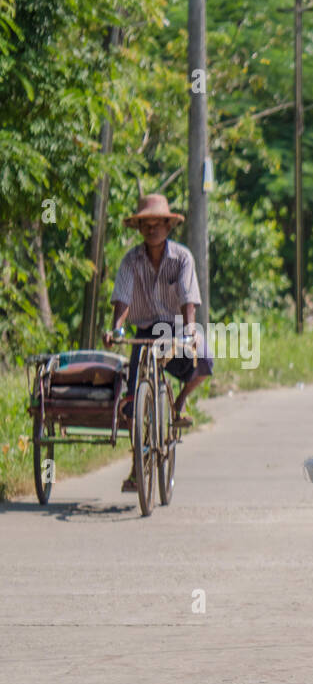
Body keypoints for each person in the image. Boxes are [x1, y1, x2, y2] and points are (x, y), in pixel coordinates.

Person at [103, 193, 209, 493]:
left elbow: (189, 299)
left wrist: (189, 331)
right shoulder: (130, 260)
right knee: (134, 402)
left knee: (205, 359)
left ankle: (179, 403)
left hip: (175, 328)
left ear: (168, 225)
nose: (152, 229)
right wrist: (116, 330)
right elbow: (122, 298)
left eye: (157, 224)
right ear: (139, 229)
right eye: (145, 224)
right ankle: (138, 465)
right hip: (145, 329)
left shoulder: (182, 257)